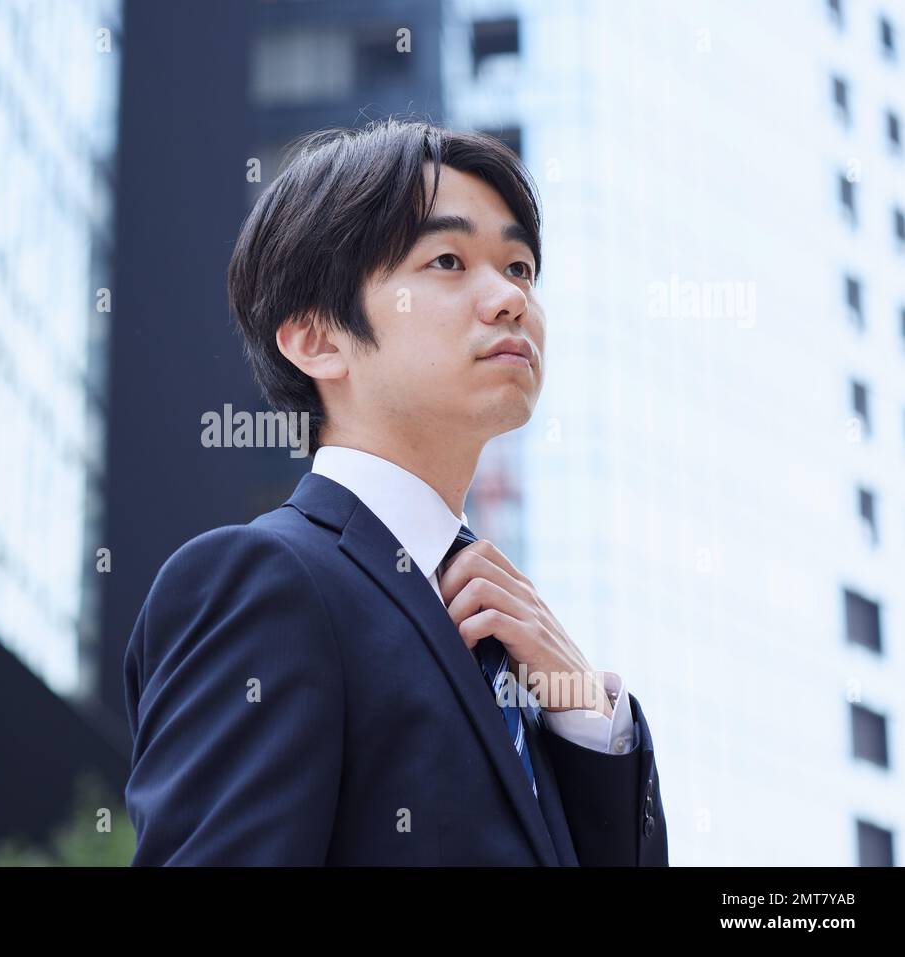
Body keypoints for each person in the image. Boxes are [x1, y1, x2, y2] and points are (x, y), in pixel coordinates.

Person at [122, 118, 668, 865]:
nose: (510, 298)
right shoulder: (262, 584)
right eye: (448, 260)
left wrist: (582, 712)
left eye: (520, 267)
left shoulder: (521, 656)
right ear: (317, 338)